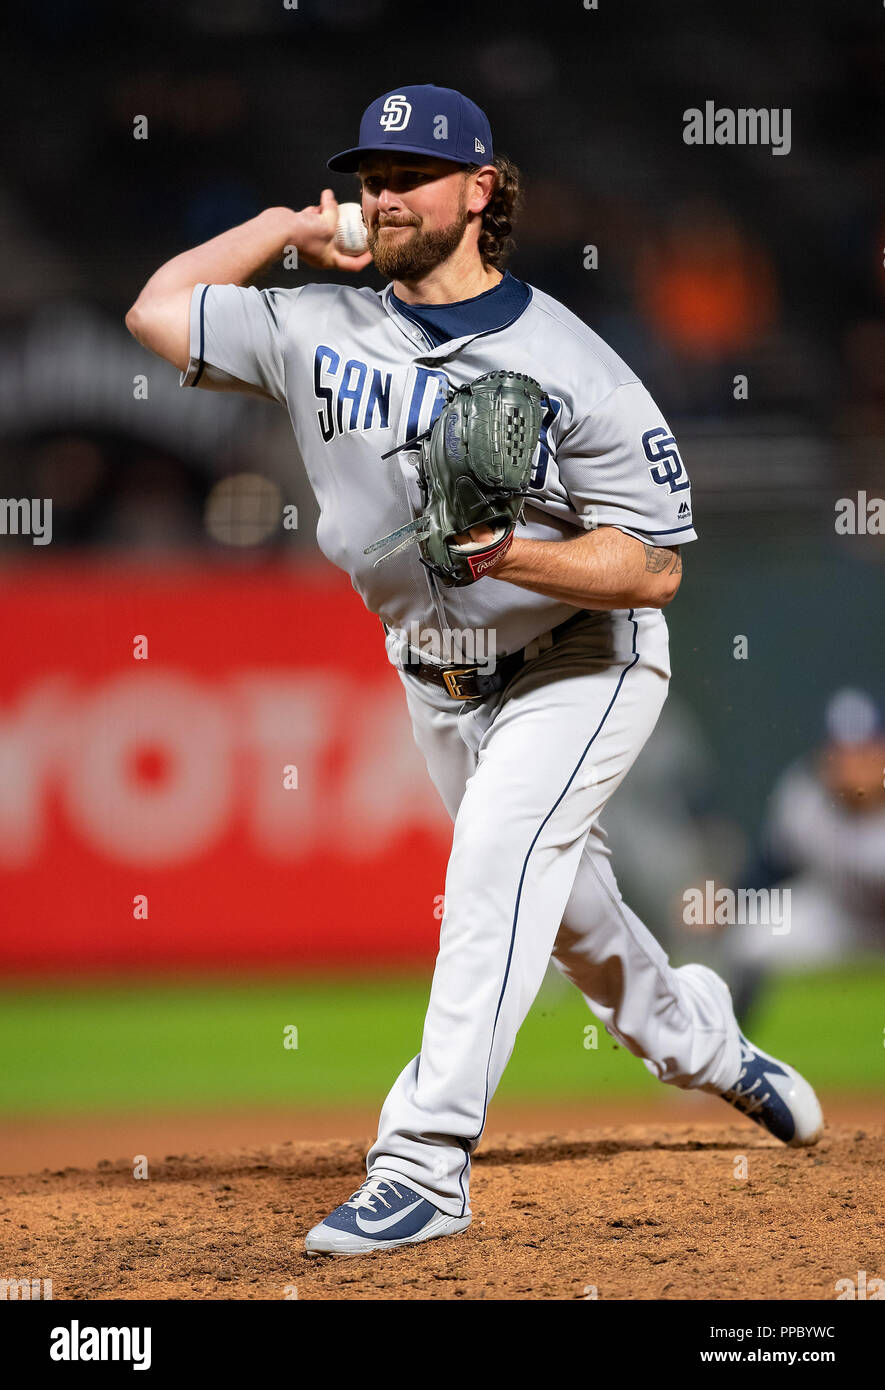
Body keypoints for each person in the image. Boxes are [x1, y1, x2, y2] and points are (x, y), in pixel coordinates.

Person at [126, 84, 823, 1257]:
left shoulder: (574, 363)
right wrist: (284, 228)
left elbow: (652, 570)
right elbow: (155, 312)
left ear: (482, 190)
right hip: (436, 676)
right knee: (575, 926)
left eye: (410, 174)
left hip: (581, 660)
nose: (382, 194)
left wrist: (521, 553)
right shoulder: (312, 324)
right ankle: (704, 1039)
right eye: (371, 174)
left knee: (496, 866)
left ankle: (424, 1163)